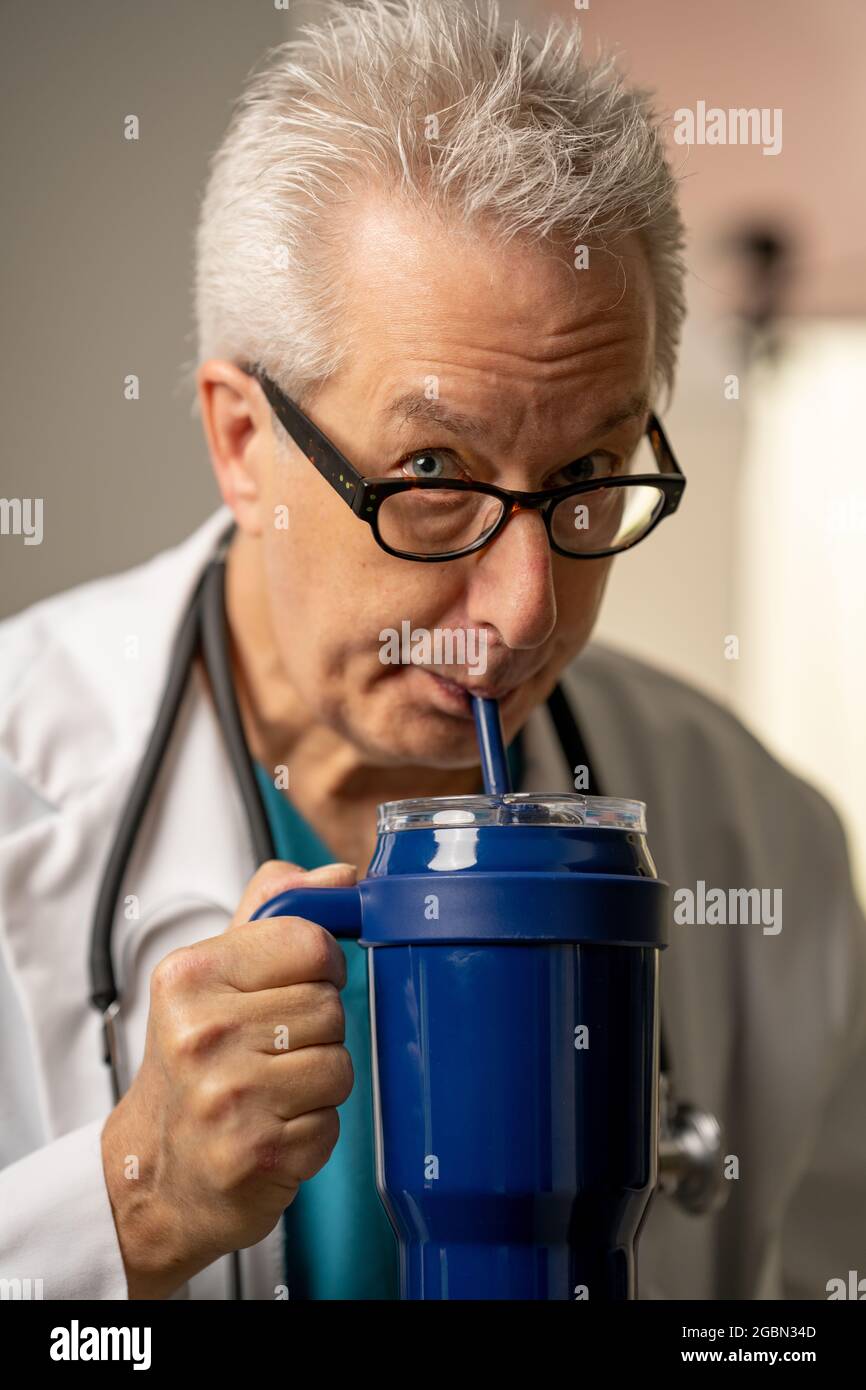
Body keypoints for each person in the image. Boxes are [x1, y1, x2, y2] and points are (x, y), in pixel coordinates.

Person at [1, 0, 863, 1302]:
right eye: (433, 476)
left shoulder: (764, 842)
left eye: (585, 474)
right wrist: (129, 1198)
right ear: (243, 441)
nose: (523, 610)